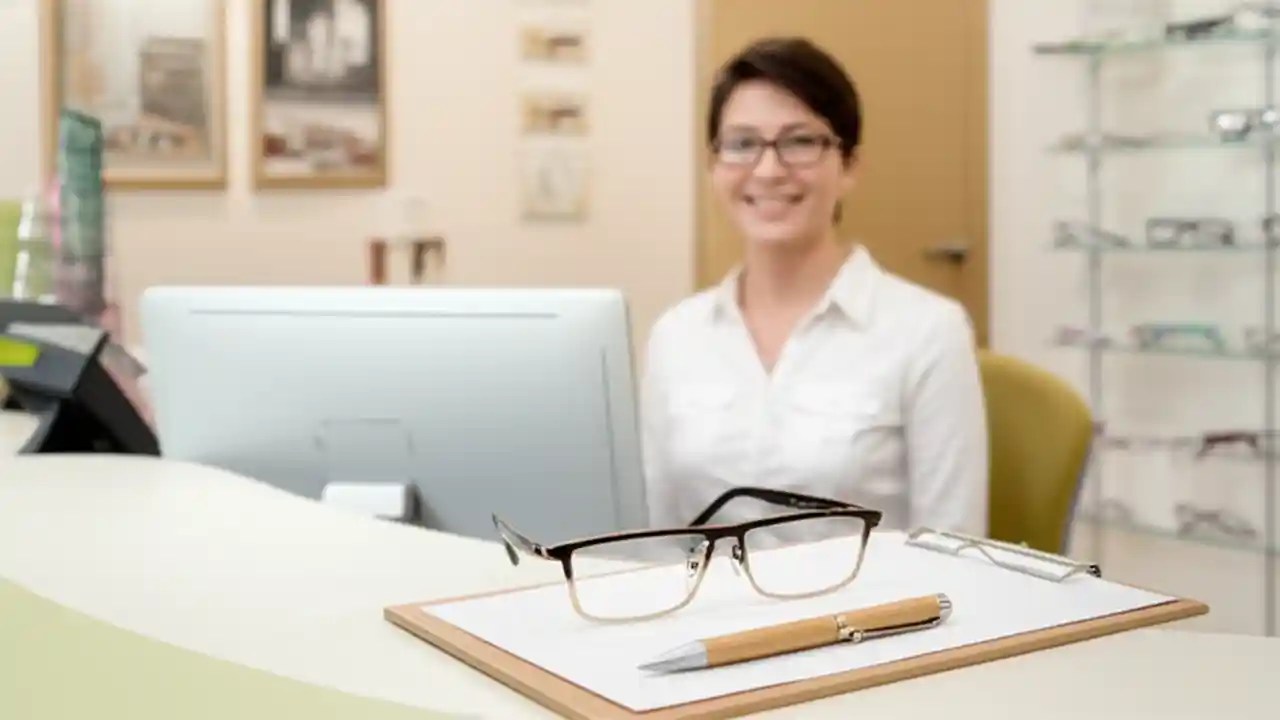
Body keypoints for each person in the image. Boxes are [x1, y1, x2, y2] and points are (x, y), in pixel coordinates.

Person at [640, 37, 988, 543]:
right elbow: (658, 539)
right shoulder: (677, 335)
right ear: (714, 166)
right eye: (742, 144)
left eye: (800, 142)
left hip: (866, 618)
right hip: (706, 618)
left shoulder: (928, 331)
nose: (768, 169)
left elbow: (953, 547)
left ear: (849, 165)